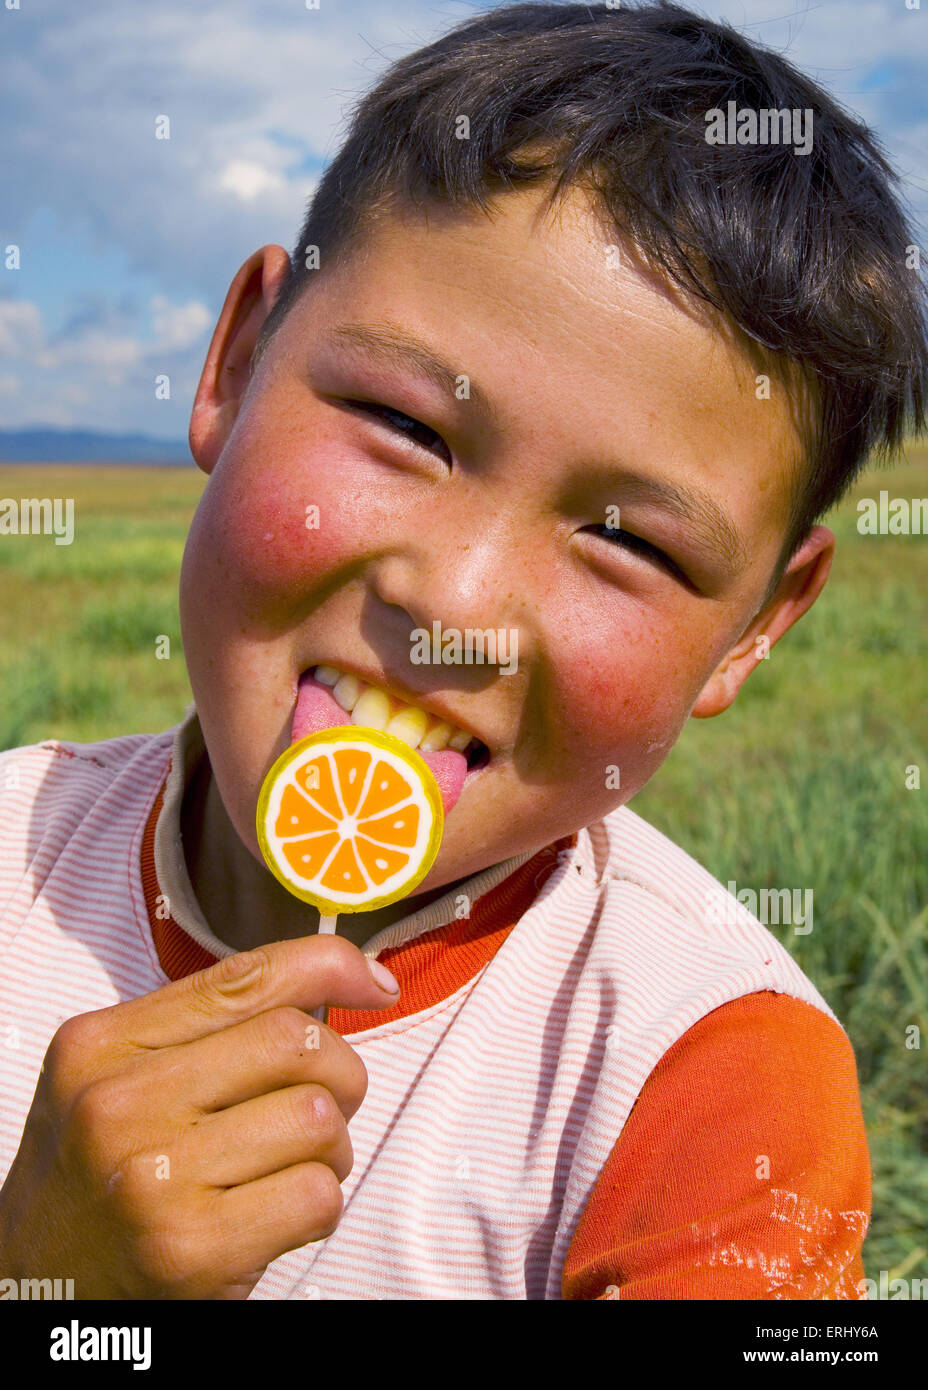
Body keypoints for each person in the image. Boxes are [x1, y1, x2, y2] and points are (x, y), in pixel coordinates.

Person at [1, 2, 923, 1299]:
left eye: (631, 543)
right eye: (404, 425)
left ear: (756, 626)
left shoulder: (715, 1081)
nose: (462, 604)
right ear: (239, 357)